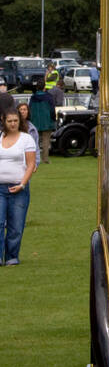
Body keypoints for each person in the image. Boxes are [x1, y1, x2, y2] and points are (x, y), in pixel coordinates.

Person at [0, 106, 37, 264]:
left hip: (19, 189)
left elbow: (30, 165)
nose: (13, 124)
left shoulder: (26, 139)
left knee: (16, 225)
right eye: (10, 121)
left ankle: (12, 256)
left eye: (16, 121)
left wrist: (22, 184)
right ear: (4, 121)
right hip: (0, 188)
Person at [28, 78, 56, 164]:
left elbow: (30, 109)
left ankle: (34, 158)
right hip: (46, 121)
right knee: (46, 141)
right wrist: (53, 119)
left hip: (35, 121)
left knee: (34, 140)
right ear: (44, 87)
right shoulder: (49, 97)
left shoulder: (33, 98)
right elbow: (52, 110)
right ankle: (45, 159)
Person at [17, 102, 41, 167]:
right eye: (20, 109)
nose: (22, 112)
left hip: (27, 160)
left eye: (24, 110)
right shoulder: (13, 126)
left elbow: (36, 147)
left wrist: (36, 163)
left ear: (28, 112)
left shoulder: (32, 129)